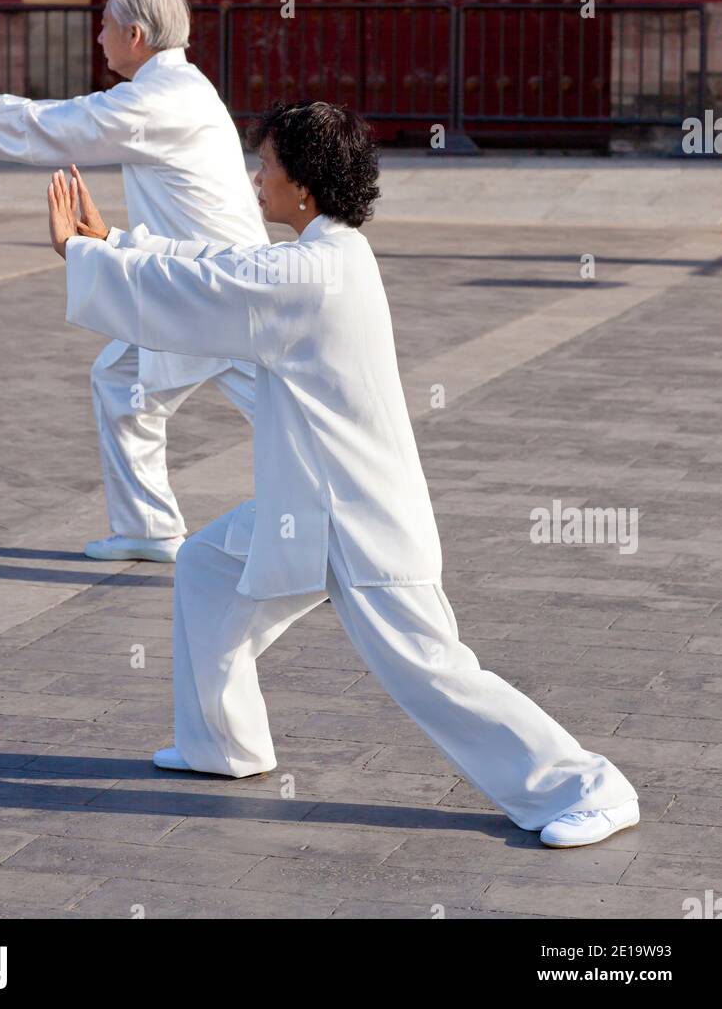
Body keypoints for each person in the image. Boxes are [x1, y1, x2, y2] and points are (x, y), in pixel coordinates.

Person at [47, 100, 641, 848]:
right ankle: (221, 745)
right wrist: (117, 242)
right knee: (203, 569)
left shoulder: (310, 274)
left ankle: (587, 787)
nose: (255, 179)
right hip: (306, 508)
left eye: (265, 166)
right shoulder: (330, 252)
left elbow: (207, 293)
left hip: (358, 520)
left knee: (434, 674)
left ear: (305, 186)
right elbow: (221, 267)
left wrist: (84, 255)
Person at [0, 0, 267, 563]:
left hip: (219, 292)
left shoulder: (158, 99)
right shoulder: (174, 86)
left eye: (104, 24)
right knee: (123, 383)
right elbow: (58, 117)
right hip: (188, 284)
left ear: (135, 33)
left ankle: (343, 545)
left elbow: (55, 128)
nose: (98, 36)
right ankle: (148, 528)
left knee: (292, 419)